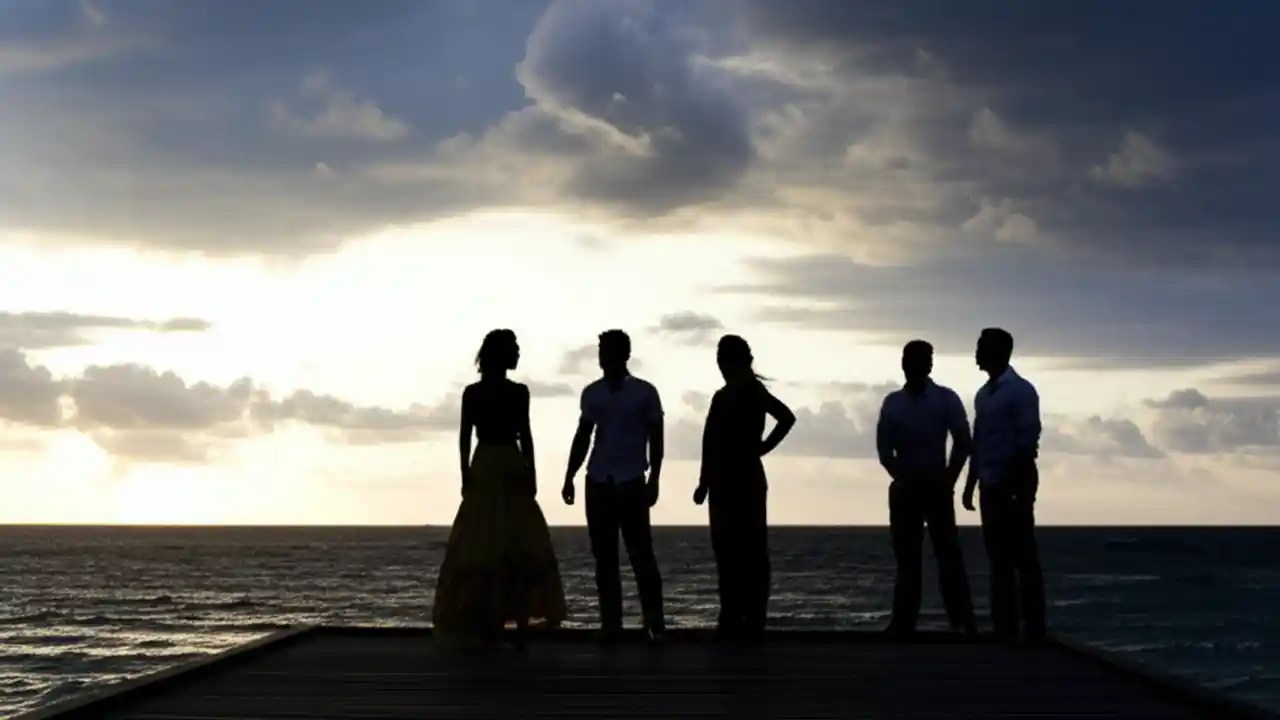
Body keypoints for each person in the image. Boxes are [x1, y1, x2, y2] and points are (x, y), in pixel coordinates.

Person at [433, 329, 566, 649]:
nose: (518, 354)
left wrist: (529, 472)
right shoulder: (484, 393)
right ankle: (500, 622)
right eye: (514, 349)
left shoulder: (506, 391)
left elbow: (522, 434)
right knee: (497, 540)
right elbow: (467, 436)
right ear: (500, 354)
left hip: (499, 463)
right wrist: (466, 473)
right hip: (498, 462)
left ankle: (509, 622)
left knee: (504, 541)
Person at [562, 329, 666, 644]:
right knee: (604, 559)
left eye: (607, 351)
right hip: (598, 481)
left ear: (623, 354)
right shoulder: (592, 394)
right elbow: (583, 435)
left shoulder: (645, 393)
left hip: (631, 480)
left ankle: (654, 623)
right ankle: (611, 625)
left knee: (641, 556)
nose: (602, 356)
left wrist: (655, 478)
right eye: (601, 350)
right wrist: (569, 474)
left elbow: (656, 438)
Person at [693, 335, 795, 645]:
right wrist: (704, 481)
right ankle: (731, 615)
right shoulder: (721, 396)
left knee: (750, 549)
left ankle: (752, 618)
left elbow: (786, 417)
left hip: (746, 478)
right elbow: (709, 441)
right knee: (726, 550)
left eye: (724, 359)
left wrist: (762, 447)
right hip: (724, 480)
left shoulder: (752, 391)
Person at [876, 340, 978, 637]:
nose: (915, 365)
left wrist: (949, 478)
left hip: (936, 486)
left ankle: (962, 622)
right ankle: (903, 622)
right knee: (907, 559)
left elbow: (963, 440)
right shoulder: (892, 402)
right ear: (903, 363)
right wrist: (901, 477)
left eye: (921, 360)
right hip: (907, 487)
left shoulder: (946, 399)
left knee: (948, 557)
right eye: (910, 359)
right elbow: (884, 449)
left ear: (930, 364)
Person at [962, 327, 1046, 642]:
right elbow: (979, 440)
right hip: (990, 481)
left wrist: (1011, 482)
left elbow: (1028, 440)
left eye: (982, 346)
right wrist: (972, 482)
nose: (977, 352)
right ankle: (1005, 629)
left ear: (1000, 352)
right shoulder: (984, 395)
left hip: (1013, 481)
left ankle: (1034, 630)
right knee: (998, 558)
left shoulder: (1021, 391)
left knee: (1023, 555)